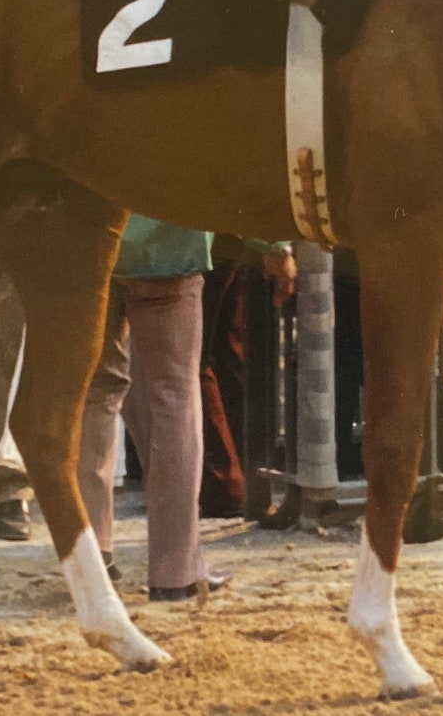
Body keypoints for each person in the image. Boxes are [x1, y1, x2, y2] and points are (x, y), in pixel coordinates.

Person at [77, 216, 294, 599]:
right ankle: (175, 573)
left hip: (94, 243)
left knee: (97, 395)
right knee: (174, 397)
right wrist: (273, 244)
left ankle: (93, 556)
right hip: (171, 249)